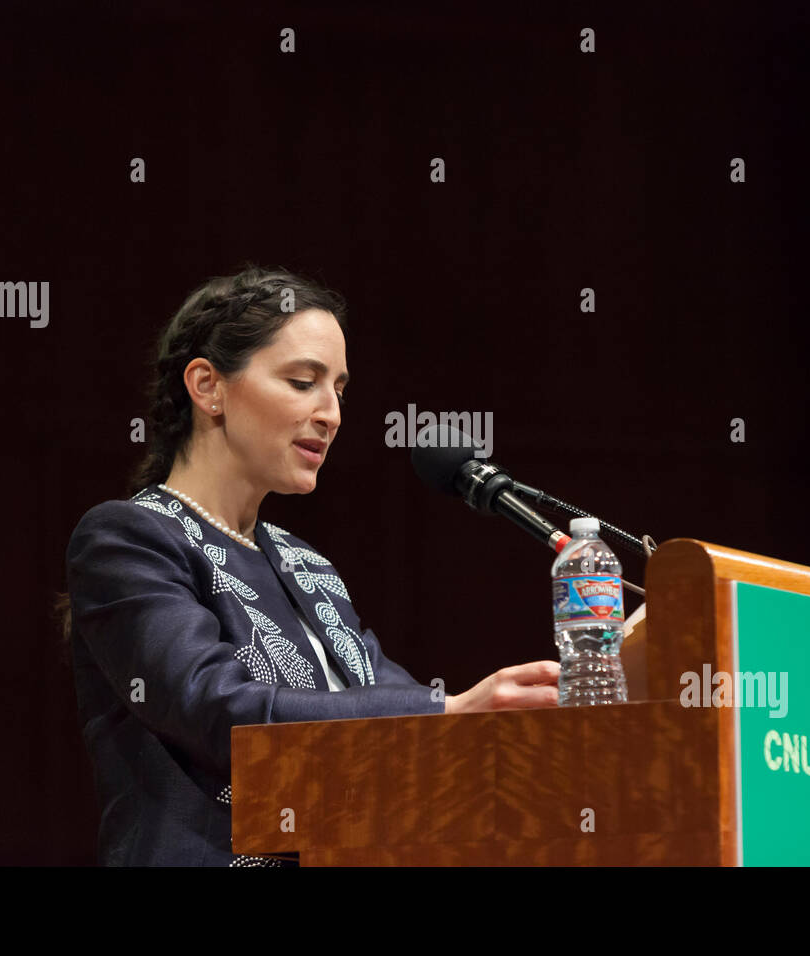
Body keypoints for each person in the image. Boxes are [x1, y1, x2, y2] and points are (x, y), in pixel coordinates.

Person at [59, 265, 560, 866]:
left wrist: (512, 718)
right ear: (207, 386)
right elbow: (219, 712)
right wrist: (448, 709)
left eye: (340, 391)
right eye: (303, 382)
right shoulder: (129, 538)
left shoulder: (306, 564)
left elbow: (389, 704)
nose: (332, 414)